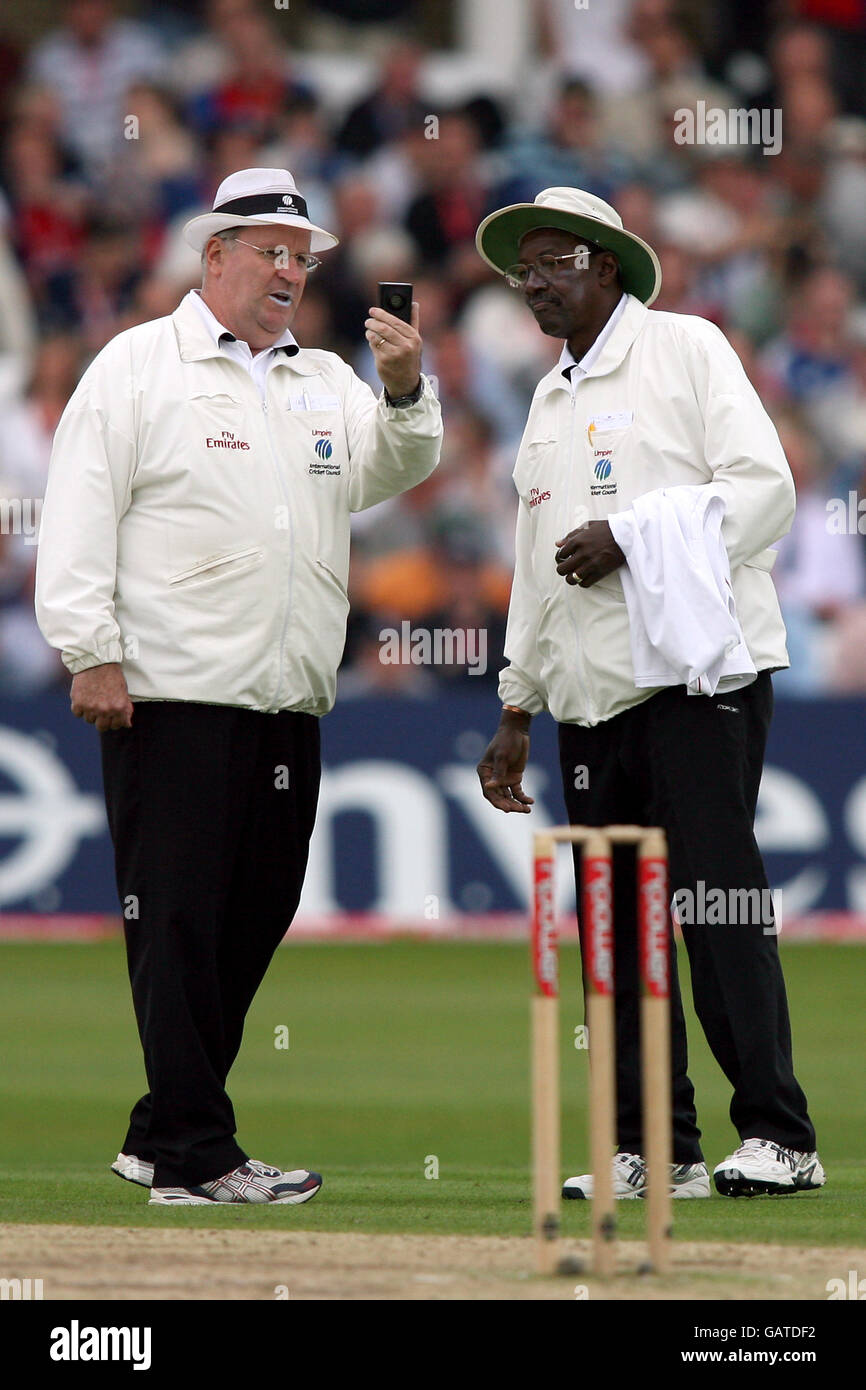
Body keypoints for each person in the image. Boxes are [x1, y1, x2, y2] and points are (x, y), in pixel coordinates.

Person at [35, 167, 442, 1205]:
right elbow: (77, 512)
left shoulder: (321, 382)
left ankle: (159, 1133)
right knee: (174, 921)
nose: (289, 271)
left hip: (286, 693)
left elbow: (389, 469)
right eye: (269, 250)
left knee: (249, 918)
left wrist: (400, 389)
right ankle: (200, 1155)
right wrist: (90, 646)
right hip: (170, 690)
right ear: (211, 256)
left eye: (301, 257)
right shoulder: (137, 368)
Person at [474, 186, 824, 1200]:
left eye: (550, 262)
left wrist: (630, 533)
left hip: (694, 676)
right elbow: (534, 565)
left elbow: (767, 494)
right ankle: (651, 1147)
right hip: (586, 697)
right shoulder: (545, 399)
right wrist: (513, 705)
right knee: (615, 930)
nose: (530, 283)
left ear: (604, 264)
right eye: (522, 268)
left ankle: (776, 1134)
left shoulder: (686, 349)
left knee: (712, 906)